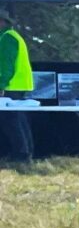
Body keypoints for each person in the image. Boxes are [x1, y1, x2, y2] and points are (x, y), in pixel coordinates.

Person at [0, 24, 34, 162]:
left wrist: (1, 85)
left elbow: (7, 66)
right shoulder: (12, 36)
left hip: (11, 85)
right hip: (17, 85)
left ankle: (21, 154)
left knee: (10, 120)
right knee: (18, 119)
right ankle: (26, 152)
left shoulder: (7, 38)